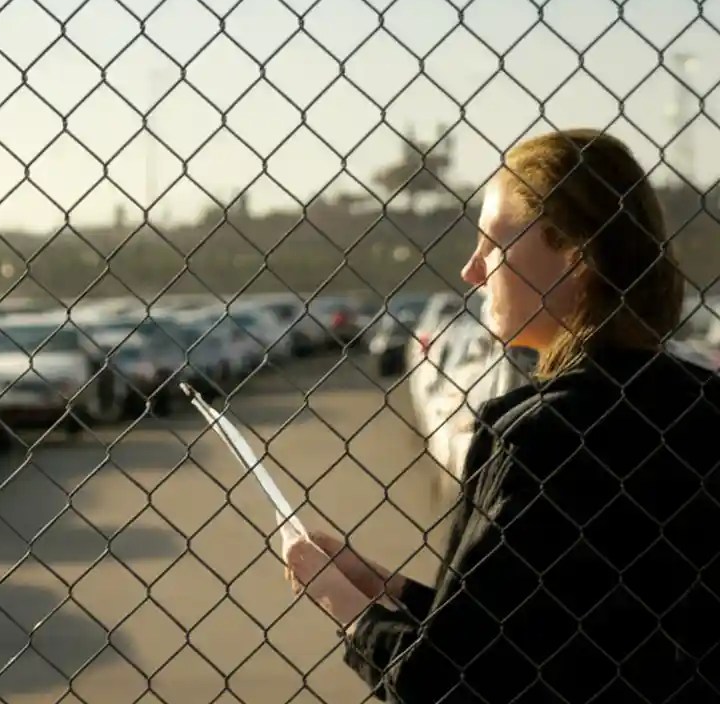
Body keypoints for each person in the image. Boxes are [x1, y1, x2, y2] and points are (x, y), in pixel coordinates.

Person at [283, 129, 719, 702]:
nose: (472, 269)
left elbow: (448, 682)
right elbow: (536, 636)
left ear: (575, 253)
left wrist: (345, 608)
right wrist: (386, 589)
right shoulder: (703, 407)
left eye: (492, 242)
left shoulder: (539, 438)